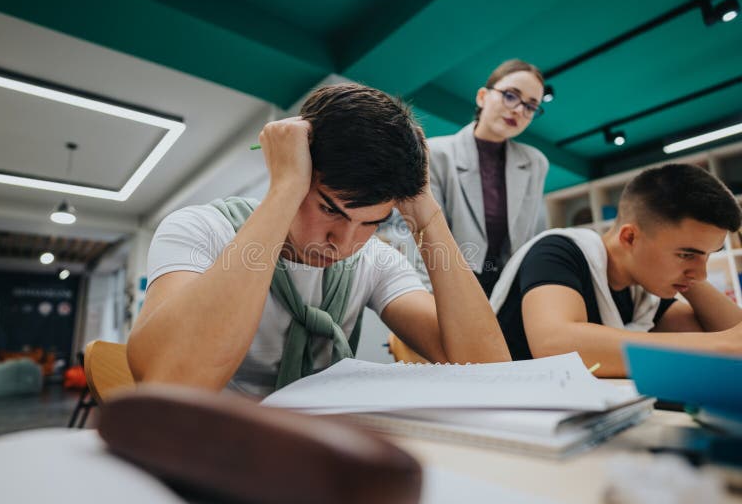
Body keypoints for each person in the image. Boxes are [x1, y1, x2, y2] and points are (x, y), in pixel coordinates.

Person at [127, 83, 510, 397]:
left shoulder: (375, 260)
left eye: (371, 223)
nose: (343, 244)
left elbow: (488, 371)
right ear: (297, 168)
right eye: (330, 210)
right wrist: (285, 188)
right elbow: (170, 382)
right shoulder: (200, 229)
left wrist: (424, 211)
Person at [490, 163, 742, 376]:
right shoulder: (558, 251)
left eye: (708, 255)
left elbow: (731, 336)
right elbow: (555, 344)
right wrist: (719, 346)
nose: (702, 274)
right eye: (686, 254)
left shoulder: (643, 296)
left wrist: (690, 275)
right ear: (630, 237)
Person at [388, 59, 549, 361]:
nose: (519, 110)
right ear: (483, 96)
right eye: (511, 96)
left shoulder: (536, 162)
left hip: (510, 293)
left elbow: (533, 243)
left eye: (531, 106)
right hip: (451, 288)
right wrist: (431, 307)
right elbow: (422, 236)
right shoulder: (437, 153)